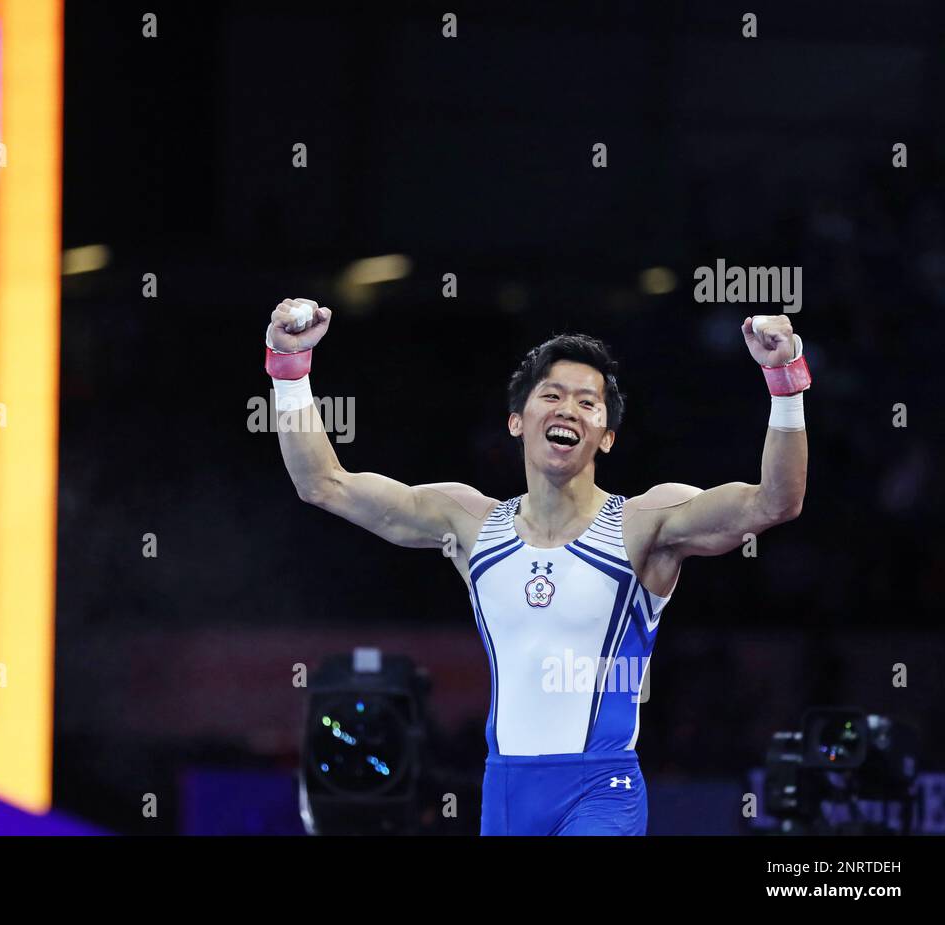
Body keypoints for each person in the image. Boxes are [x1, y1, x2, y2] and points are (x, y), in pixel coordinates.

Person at [265, 298, 808, 835]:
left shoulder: (646, 524)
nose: (568, 409)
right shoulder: (469, 525)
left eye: (588, 403)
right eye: (551, 395)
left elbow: (775, 502)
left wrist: (783, 380)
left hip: (602, 791)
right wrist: (290, 371)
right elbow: (324, 484)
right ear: (517, 422)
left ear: (607, 437)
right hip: (505, 793)